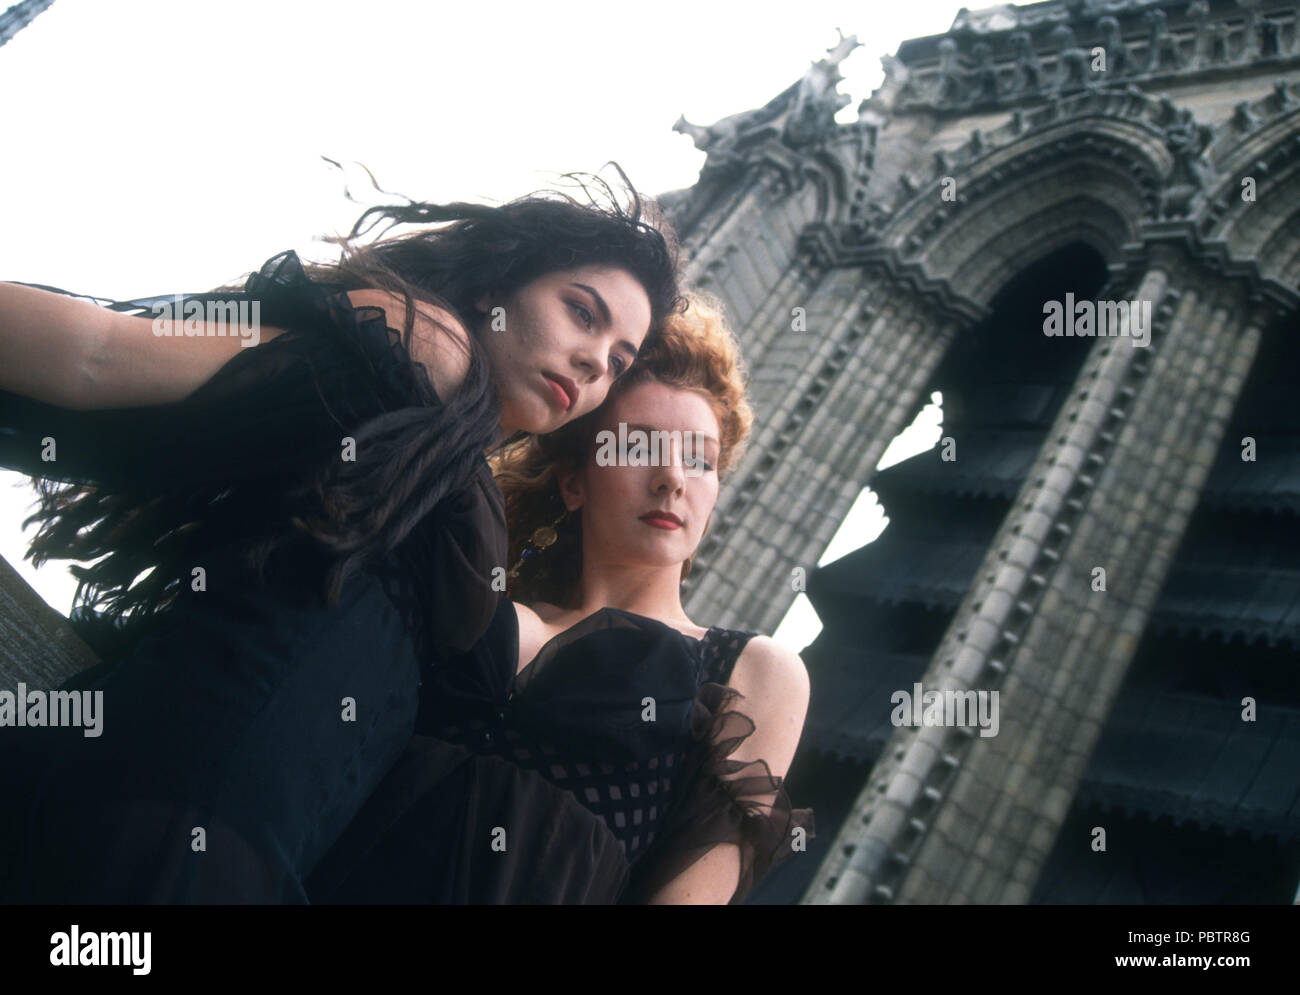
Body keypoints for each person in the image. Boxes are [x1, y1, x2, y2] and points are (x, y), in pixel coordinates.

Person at [0, 168, 684, 903]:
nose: (593, 363)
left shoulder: (449, 451)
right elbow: (100, 354)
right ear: (497, 290)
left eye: (617, 361)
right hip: (171, 828)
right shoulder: (429, 351)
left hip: (228, 849)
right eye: (582, 313)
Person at [304, 291, 814, 904]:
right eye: (636, 447)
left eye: (700, 461)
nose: (672, 478)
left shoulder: (750, 668)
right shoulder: (478, 604)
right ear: (574, 483)